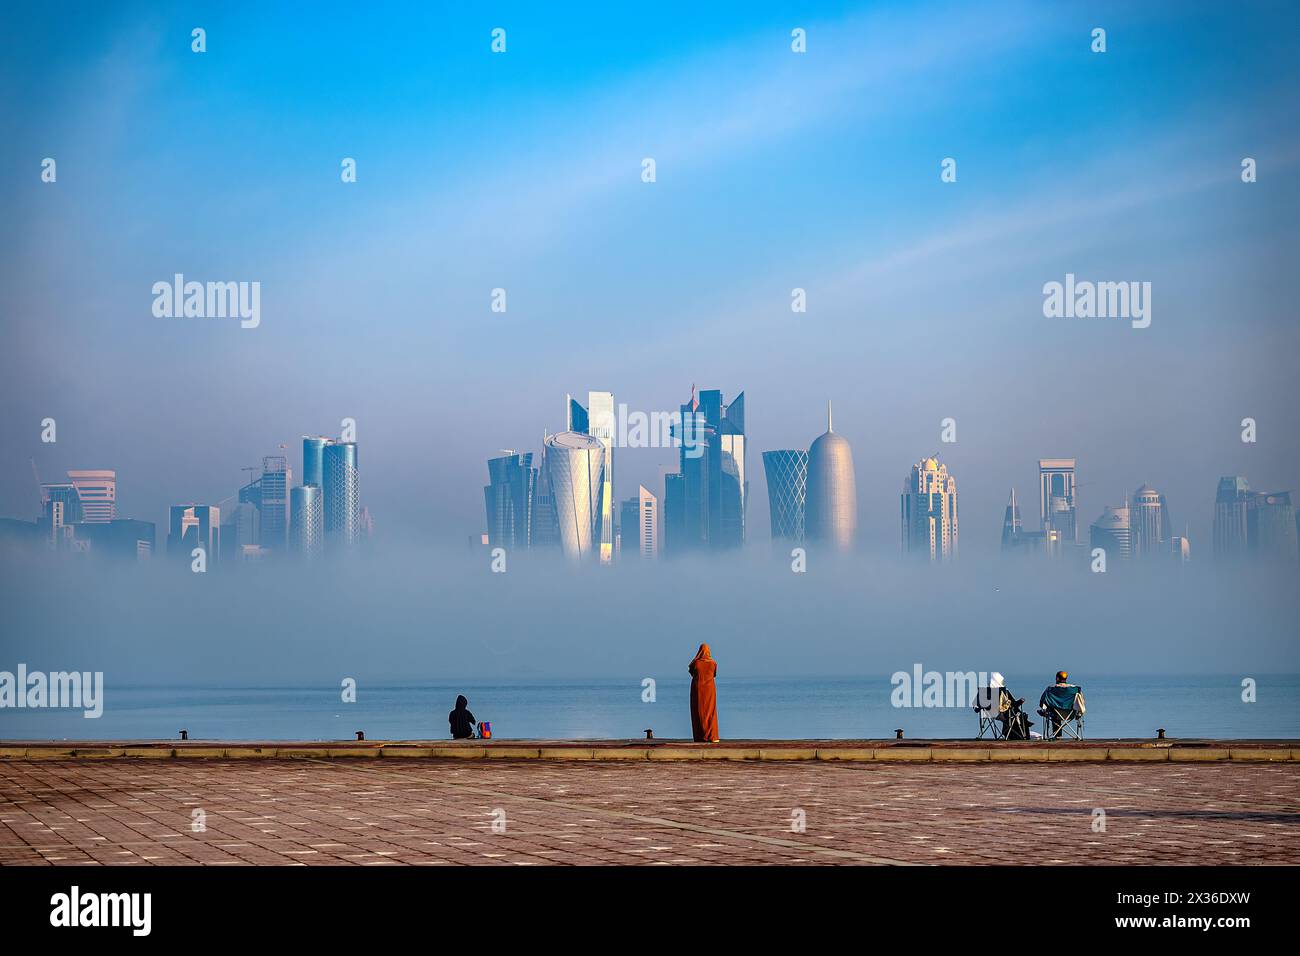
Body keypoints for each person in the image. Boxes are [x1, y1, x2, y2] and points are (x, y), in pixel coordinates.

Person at [1038, 670, 1085, 736]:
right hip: (1071, 713)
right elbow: (1081, 702)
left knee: (1052, 710)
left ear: (1057, 678)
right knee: (1054, 710)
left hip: (1055, 714)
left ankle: (1056, 735)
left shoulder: (1050, 688)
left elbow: (1042, 702)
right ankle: (1075, 736)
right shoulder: (1075, 689)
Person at [688, 644, 719, 743]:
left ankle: (700, 736)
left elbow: (691, 671)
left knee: (699, 712)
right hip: (710, 690)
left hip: (698, 690)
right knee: (710, 712)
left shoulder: (696, 663)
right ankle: (712, 736)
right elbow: (714, 674)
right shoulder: (713, 663)